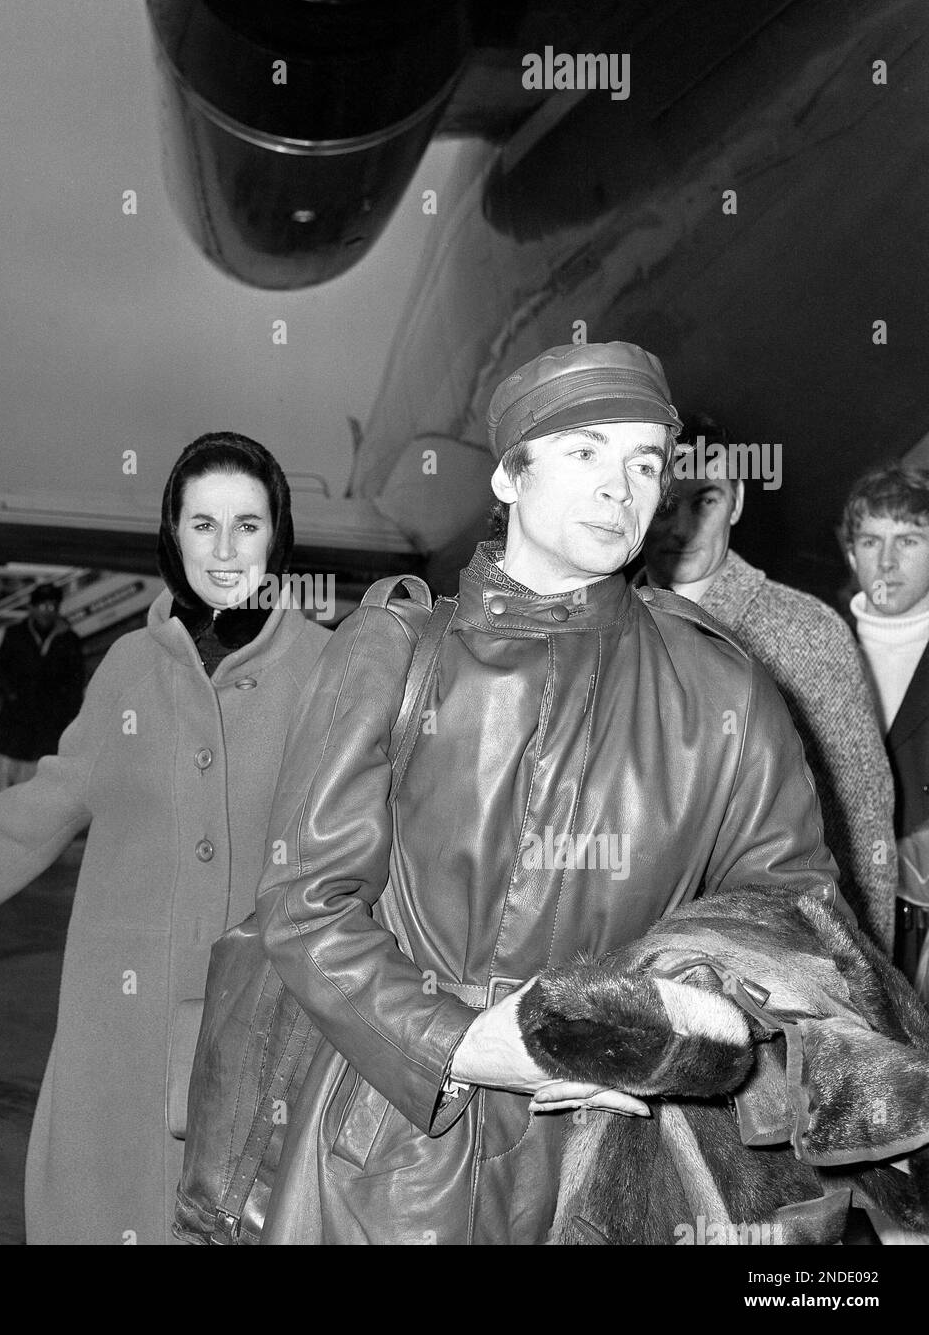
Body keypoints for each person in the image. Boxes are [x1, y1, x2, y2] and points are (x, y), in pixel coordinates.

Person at [253, 342, 843, 1245]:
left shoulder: (728, 691)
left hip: (627, 1164)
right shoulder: (394, 652)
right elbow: (305, 906)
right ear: (507, 476)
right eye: (585, 451)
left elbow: (794, 914)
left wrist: (664, 1024)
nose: (621, 487)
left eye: (645, 462)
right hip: (399, 1154)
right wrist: (458, 1044)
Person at [0, 431, 330, 1244]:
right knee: (109, 1204)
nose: (225, 549)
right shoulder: (129, 664)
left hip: (265, 1009)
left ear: (279, 537)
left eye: (248, 525)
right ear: (172, 535)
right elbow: (60, 791)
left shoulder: (327, 670)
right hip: (121, 1008)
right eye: (203, 525)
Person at [640, 412, 896, 948]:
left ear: (736, 500)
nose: (681, 529)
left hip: (772, 960)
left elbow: (861, 817)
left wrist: (869, 978)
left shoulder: (806, 630)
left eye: (704, 501)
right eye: (666, 504)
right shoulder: (602, 628)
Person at [842, 463, 929, 997]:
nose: (888, 561)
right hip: (847, 923)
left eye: (910, 540)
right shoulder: (815, 646)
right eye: (872, 541)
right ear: (852, 554)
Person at [0, 583, 84, 787]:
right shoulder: (15, 634)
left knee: (46, 768)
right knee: (12, 768)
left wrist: (69, 710)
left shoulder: (69, 639)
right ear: (32, 608)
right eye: (42, 606)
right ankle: (8, 809)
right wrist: (11, 694)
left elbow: (77, 677)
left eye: (52, 607)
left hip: (52, 716)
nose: (47, 612)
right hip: (18, 712)